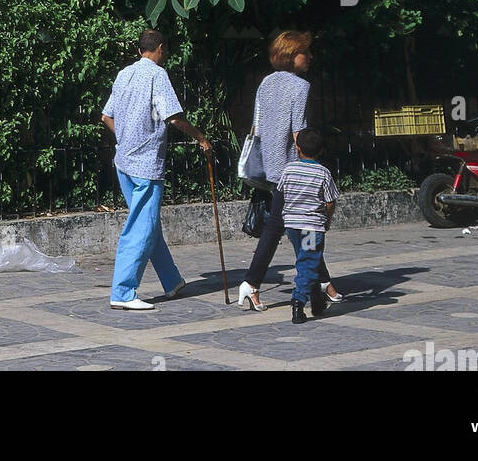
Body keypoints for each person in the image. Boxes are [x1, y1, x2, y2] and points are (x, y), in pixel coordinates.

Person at [102, 29, 213, 311]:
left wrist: (126, 138)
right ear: (160, 48)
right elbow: (174, 118)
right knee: (141, 227)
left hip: (124, 162)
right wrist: (200, 138)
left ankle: (171, 280)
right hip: (146, 166)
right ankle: (123, 292)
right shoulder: (157, 75)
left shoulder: (124, 74)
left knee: (147, 224)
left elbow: (106, 116)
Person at [236, 30, 341, 312]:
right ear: (291, 56)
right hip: (292, 167)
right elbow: (299, 131)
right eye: (305, 53)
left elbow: (257, 127)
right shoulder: (300, 86)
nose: (310, 57)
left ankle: (323, 283)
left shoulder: (265, 83)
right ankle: (252, 281)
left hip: (271, 168)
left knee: (292, 223)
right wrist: (310, 165)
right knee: (297, 224)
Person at [277, 127, 338, 323]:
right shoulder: (323, 173)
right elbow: (330, 201)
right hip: (312, 227)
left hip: (293, 226)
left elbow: (281, 192)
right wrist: (327, 220)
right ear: (321, 151)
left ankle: (317, 300)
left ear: (297, 148)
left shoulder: (288, 169)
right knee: (308, 264)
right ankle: (298, 301)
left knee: (307, 261)